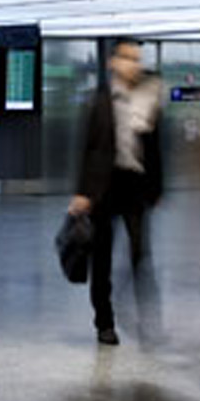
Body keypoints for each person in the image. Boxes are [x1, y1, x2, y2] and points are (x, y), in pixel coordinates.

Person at [70, 38, 164, 346]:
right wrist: (82, 192)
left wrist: (157, 187)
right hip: (103, 187)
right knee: (102, 260)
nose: (134, 65)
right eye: (127, 58)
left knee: (140, 255)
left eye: (137, 59)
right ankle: (104, 323)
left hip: (134, 185)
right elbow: (88, 149)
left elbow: (156, 148)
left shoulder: (147, 99)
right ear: (112, 62)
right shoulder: (98, 101)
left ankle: (148, 321)